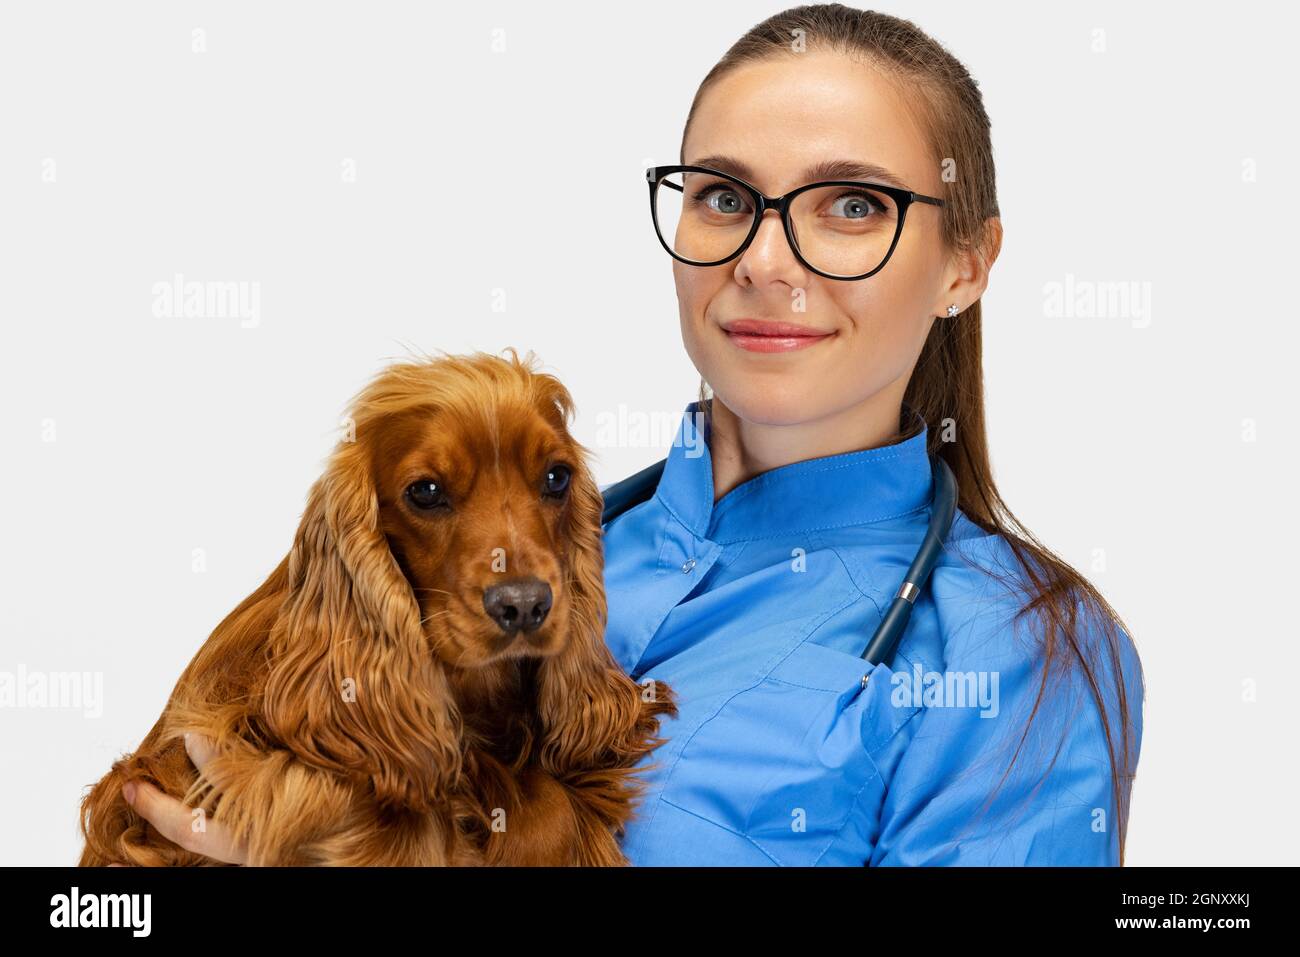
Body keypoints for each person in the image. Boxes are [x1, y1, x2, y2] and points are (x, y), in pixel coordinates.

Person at [117, 3, 1143, 866]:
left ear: (967, 262)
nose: (764, 259)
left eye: (849, 205)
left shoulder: (1014, 649)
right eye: (726, 197)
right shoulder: (534, 551)